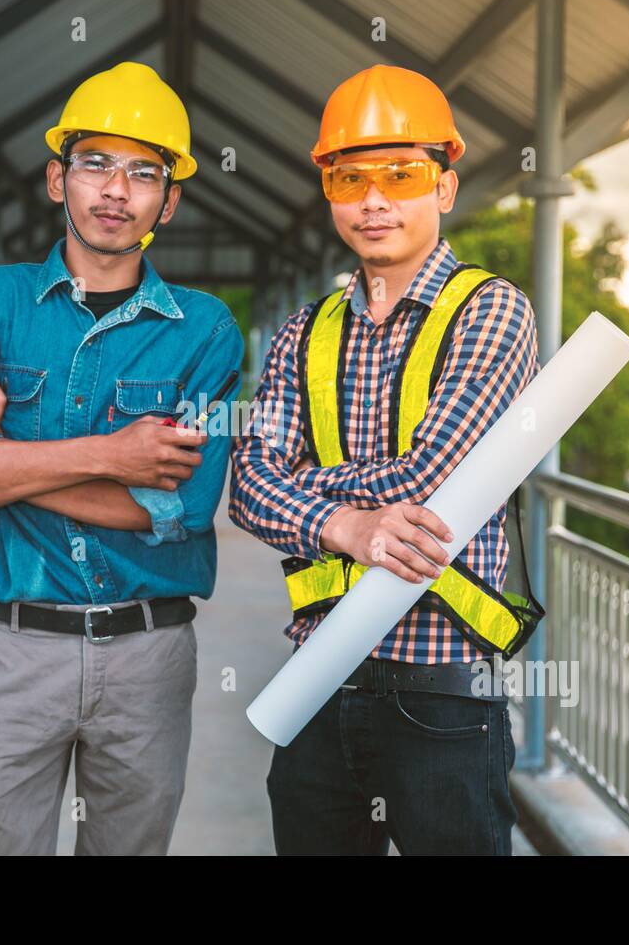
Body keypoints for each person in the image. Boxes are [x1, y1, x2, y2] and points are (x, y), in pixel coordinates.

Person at [0, 61, 244, 855]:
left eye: (143, 173)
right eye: (95, 163)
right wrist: (112, 455)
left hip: (149, 657)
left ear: (170, 198)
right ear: (58, 178)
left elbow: (179, 513)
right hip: (14, 648)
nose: (116, 191)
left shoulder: (205, 329)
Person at [229, 64, 543, 855]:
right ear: (329, 192)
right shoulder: (304, 331)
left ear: (444, 186)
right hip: (319, 678)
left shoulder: (493, 309)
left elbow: (435, 479)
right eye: (349, 177)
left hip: (440, 692)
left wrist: (308, 492)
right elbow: (246, 485)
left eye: (401, 175)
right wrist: (344, 523)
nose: (374, 200)